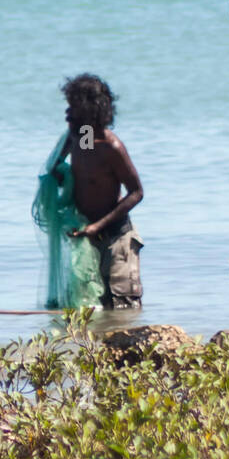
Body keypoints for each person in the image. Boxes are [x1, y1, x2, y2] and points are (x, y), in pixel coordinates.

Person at [60, 74, 145, 309]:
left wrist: (99, 226)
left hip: (116, 237)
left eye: (73, 106)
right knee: (91, 305)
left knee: (122, 305)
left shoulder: (111, 147)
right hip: (87, 237)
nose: (68, 112)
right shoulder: (83, 139)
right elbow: (82, 169)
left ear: (89, 109)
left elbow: (137, 192)